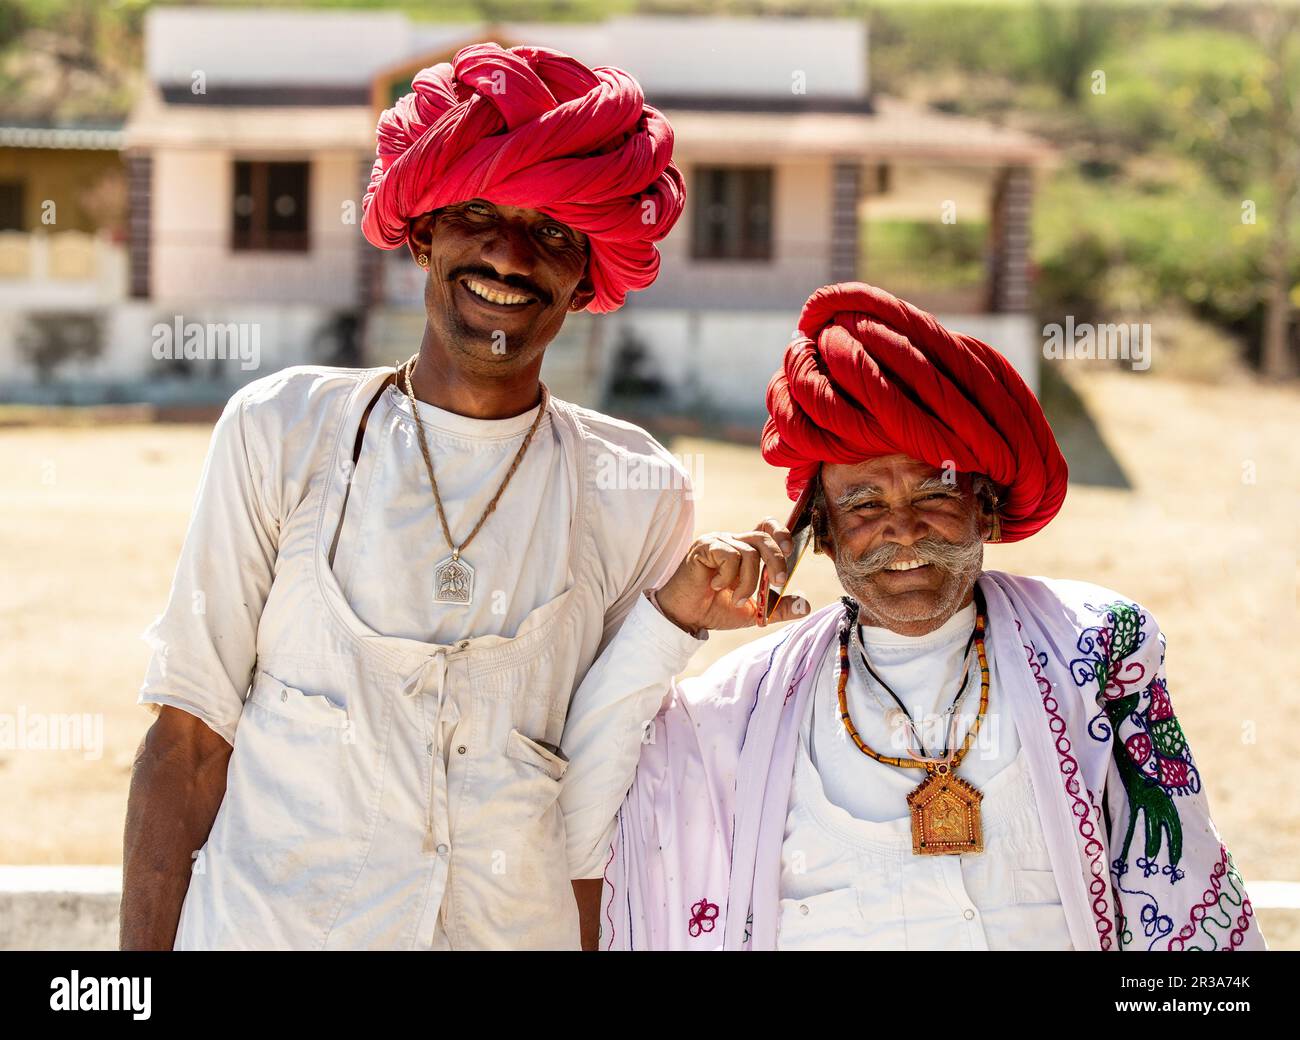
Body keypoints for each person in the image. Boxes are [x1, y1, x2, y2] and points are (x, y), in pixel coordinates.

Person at [121, 42, 711, 950]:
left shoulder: (639, 495)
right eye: (479, 215)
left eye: (553, 233)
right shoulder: (282, 433)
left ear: (586, 276)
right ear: (423, 233)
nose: (510, 257)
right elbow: (189, 740)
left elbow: (602, 791)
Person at [561, 281, 1266, 951]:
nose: (902, 530)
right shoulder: (736, 712)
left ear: (986, 509)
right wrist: (673, 621)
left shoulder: (1099, 651)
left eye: (936, 494)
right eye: (864, 504)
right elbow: (579, 826)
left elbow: (1180, 894)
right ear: (821, 532)